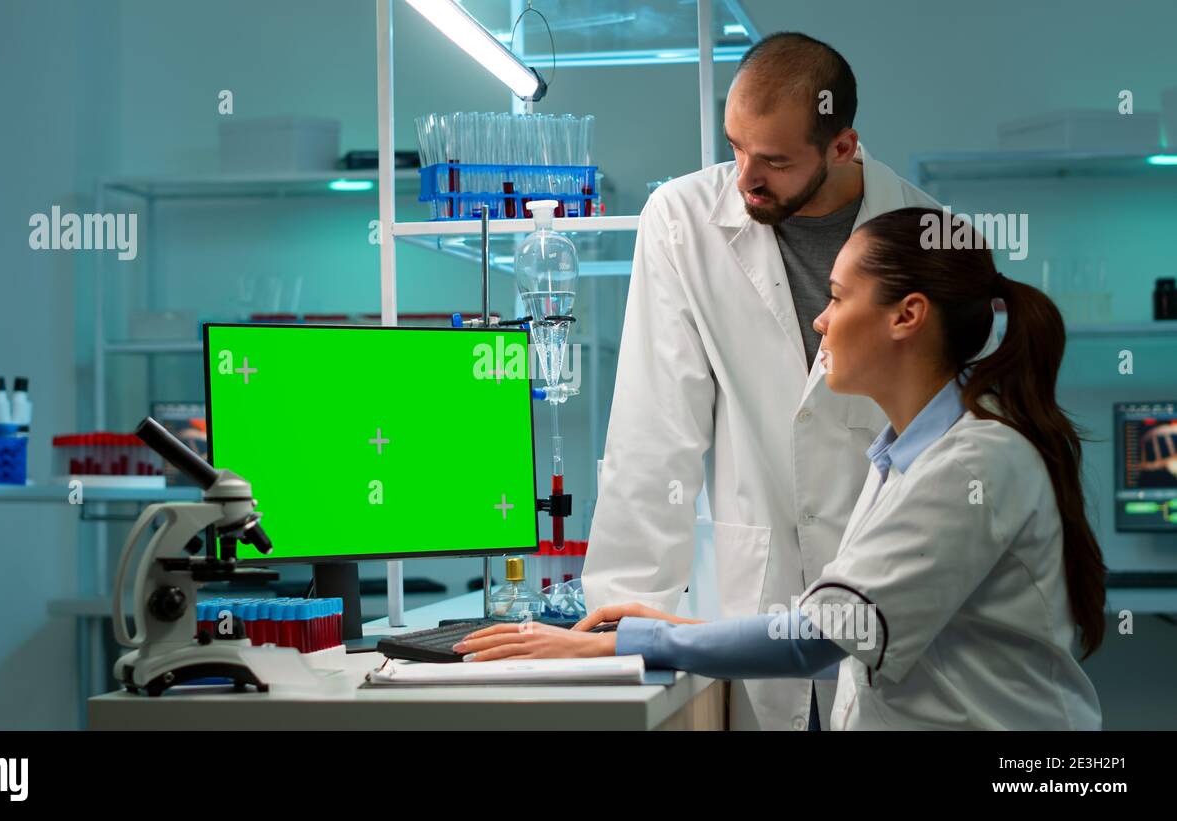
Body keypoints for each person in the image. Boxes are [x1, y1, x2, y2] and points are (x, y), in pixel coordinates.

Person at [457, 207, 1106, 731]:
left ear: (907, 315)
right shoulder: (905, 450)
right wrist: (674, 628)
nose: (821, 320)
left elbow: (816, 640)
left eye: (837, 297)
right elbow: (851, 624)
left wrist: (629, 643)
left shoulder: (973, 461)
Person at [578, 32, 949, 730]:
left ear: (843, 148)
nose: (745, 178)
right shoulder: (683, 222)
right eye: (736, 147)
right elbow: (653, 438)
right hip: (752, 611)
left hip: (897, 620)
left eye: (774, 160)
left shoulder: (930, 238)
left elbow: (945, 449)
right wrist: (617, 632)